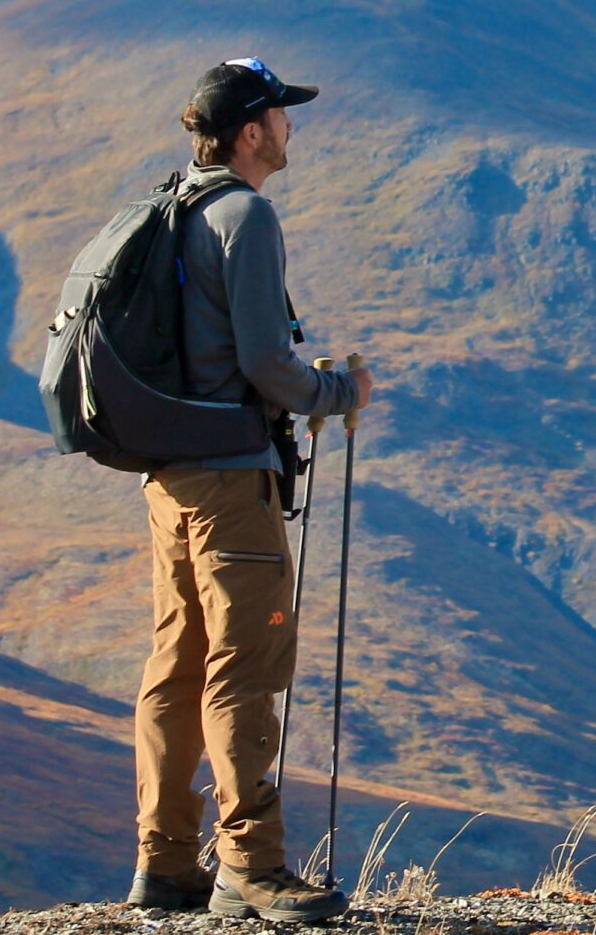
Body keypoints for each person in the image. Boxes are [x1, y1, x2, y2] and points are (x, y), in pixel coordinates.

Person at [125, 58, 373, 924]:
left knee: (176, 663)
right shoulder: (246, 215)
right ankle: (252, 869)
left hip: (170, 475)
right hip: (233, 478)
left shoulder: (170, 207)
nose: (291, 125)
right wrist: (339, 393)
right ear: (249, 131)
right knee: (243, 666)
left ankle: (162, 864)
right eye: (280, 112)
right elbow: (269, 364)